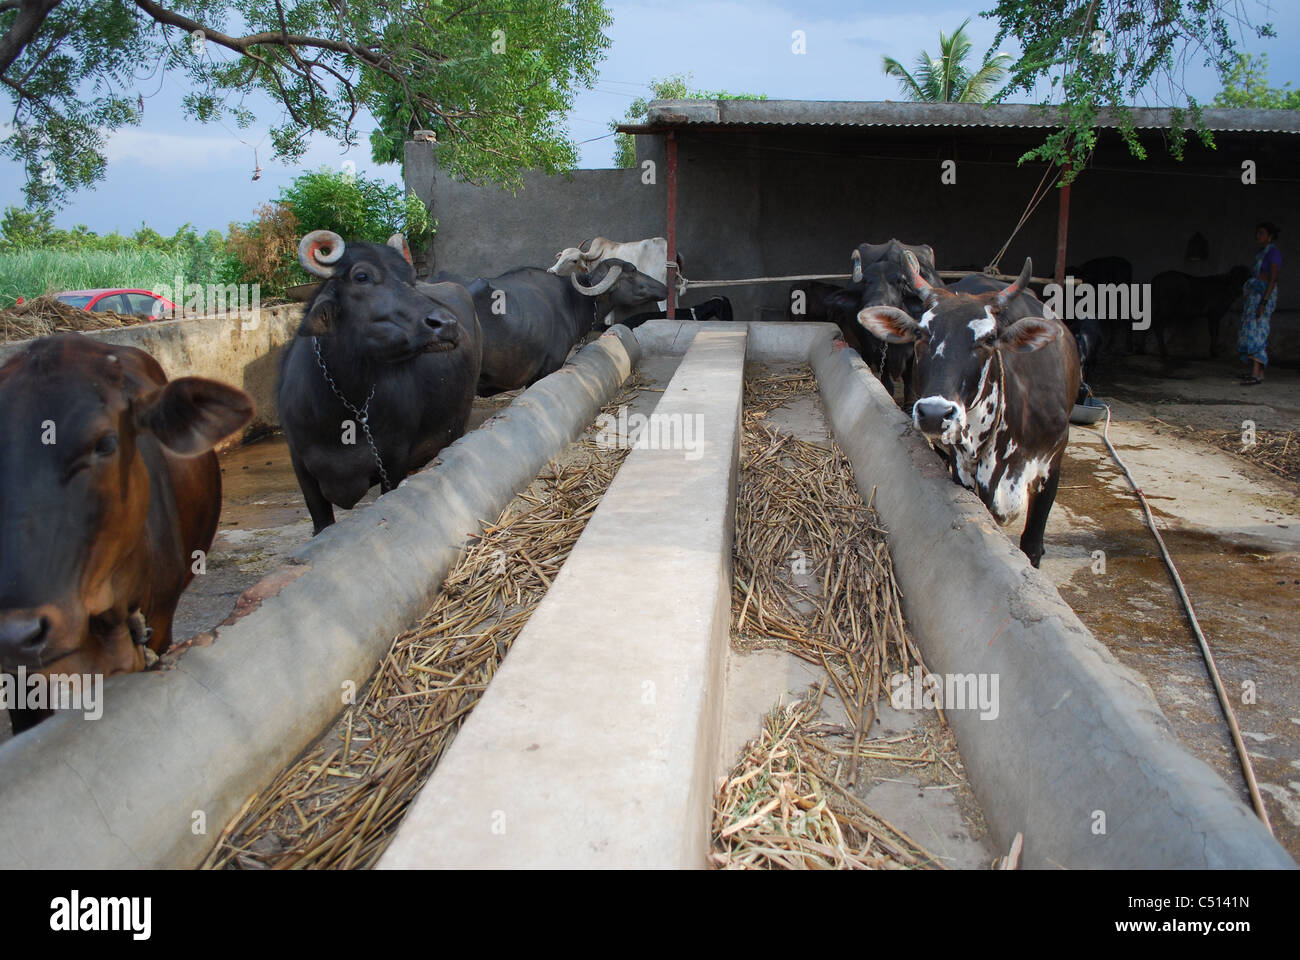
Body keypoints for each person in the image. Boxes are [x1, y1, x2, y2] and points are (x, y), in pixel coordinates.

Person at [1239, 221, 1281, 385]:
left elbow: (1273, 278)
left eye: (1262, 233)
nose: (1258, 236)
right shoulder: (1261, 252)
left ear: (1270, 236)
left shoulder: (1273, 253)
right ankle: (1257, 372)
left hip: (1263, 295)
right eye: (1258, 233)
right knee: (1250, 330)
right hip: (1255, 294)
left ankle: (1256, 373)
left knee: (1258, 330)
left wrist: (1264, 301)